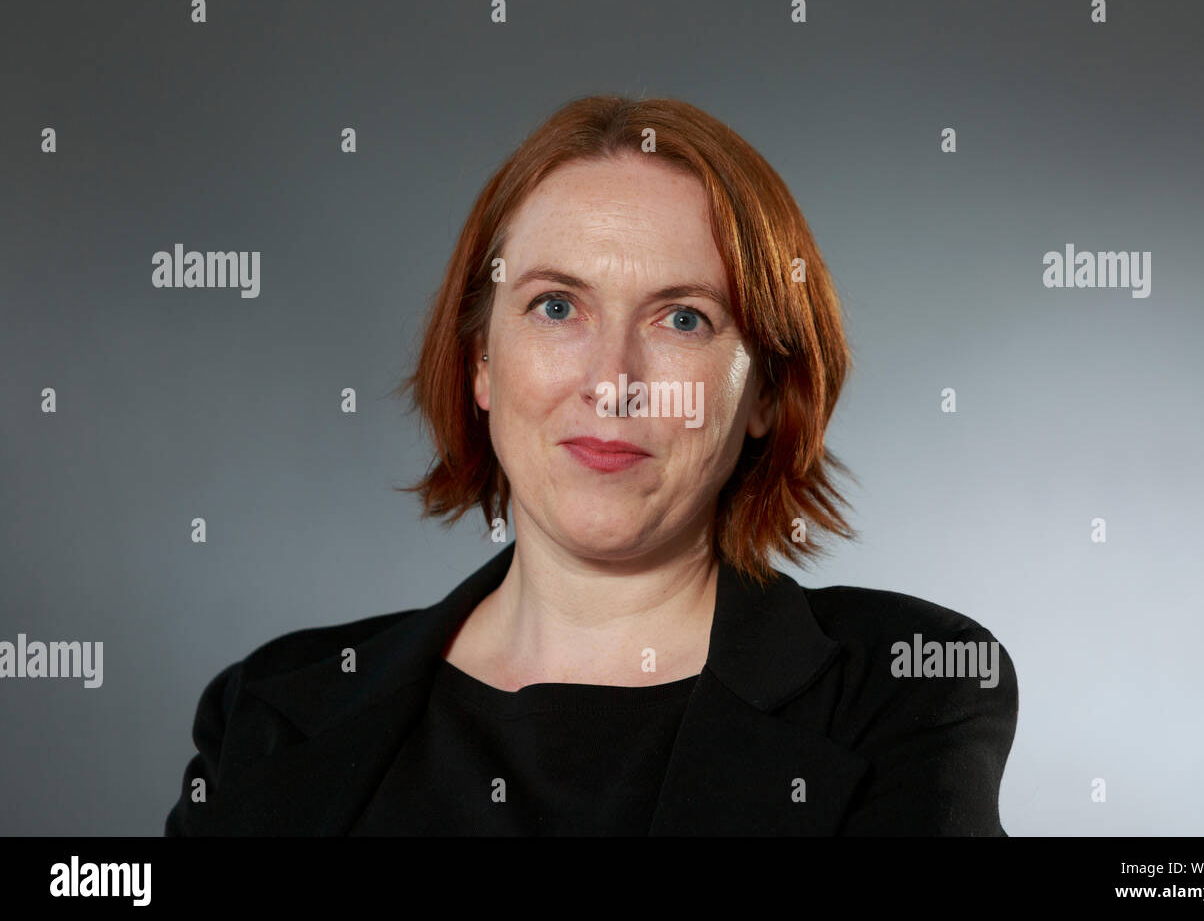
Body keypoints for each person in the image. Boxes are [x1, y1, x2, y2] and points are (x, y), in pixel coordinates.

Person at [164, 94, 1017, 836]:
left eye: (683, 319)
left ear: (765, 392)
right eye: (556, 306)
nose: (612, 384)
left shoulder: (908, 685)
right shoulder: (272, 710)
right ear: (481, 365)